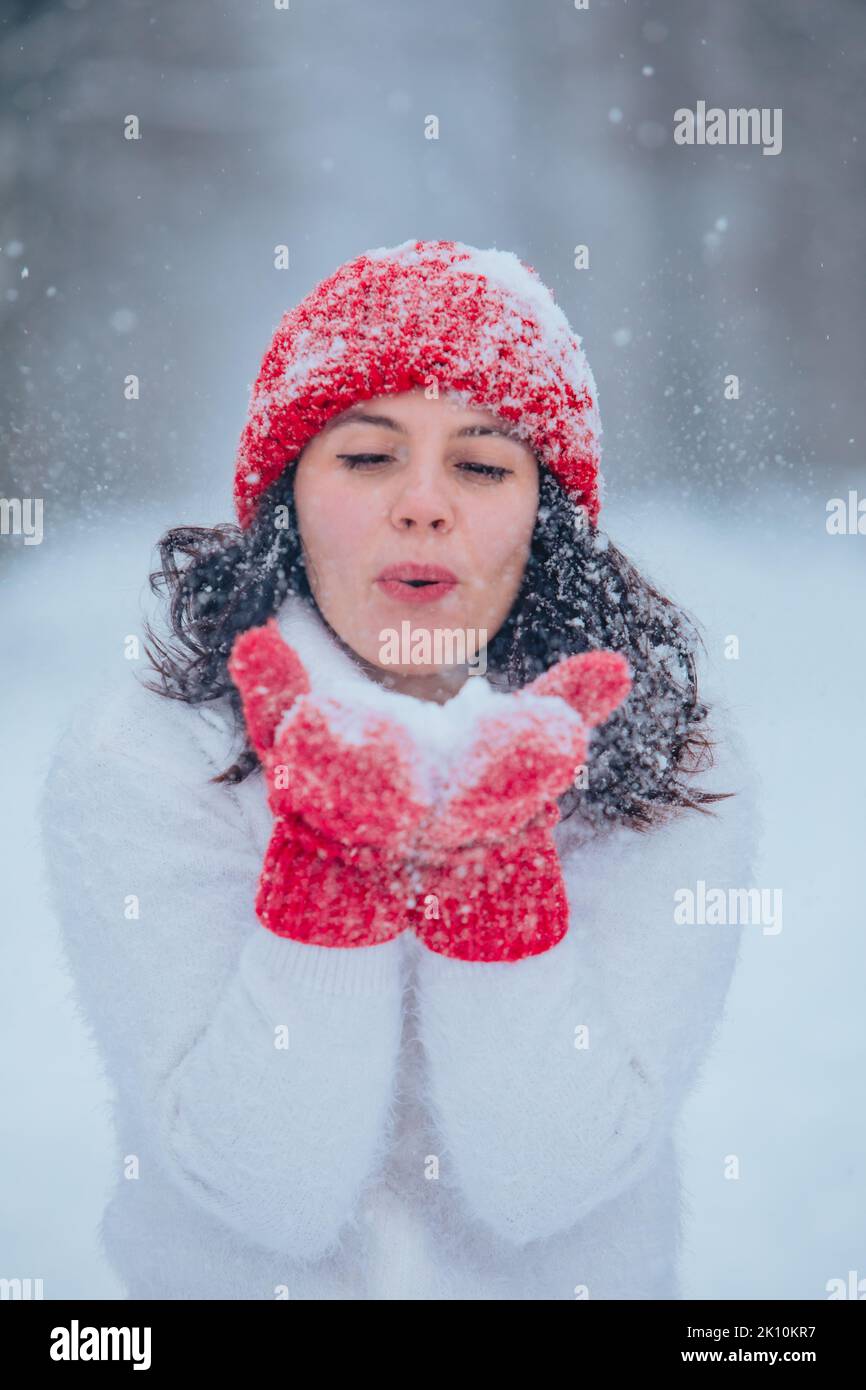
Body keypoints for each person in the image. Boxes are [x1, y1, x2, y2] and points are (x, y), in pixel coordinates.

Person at [39, 238, 759, 1300]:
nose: (423, 503)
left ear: (543, 516)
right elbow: (263, 1199)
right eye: (367, 456)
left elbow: (548, 1188)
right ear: (288, 496)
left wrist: (494, 893)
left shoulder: (662, 758)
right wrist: (323, 895)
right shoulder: (145, 751)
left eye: (480, 464)